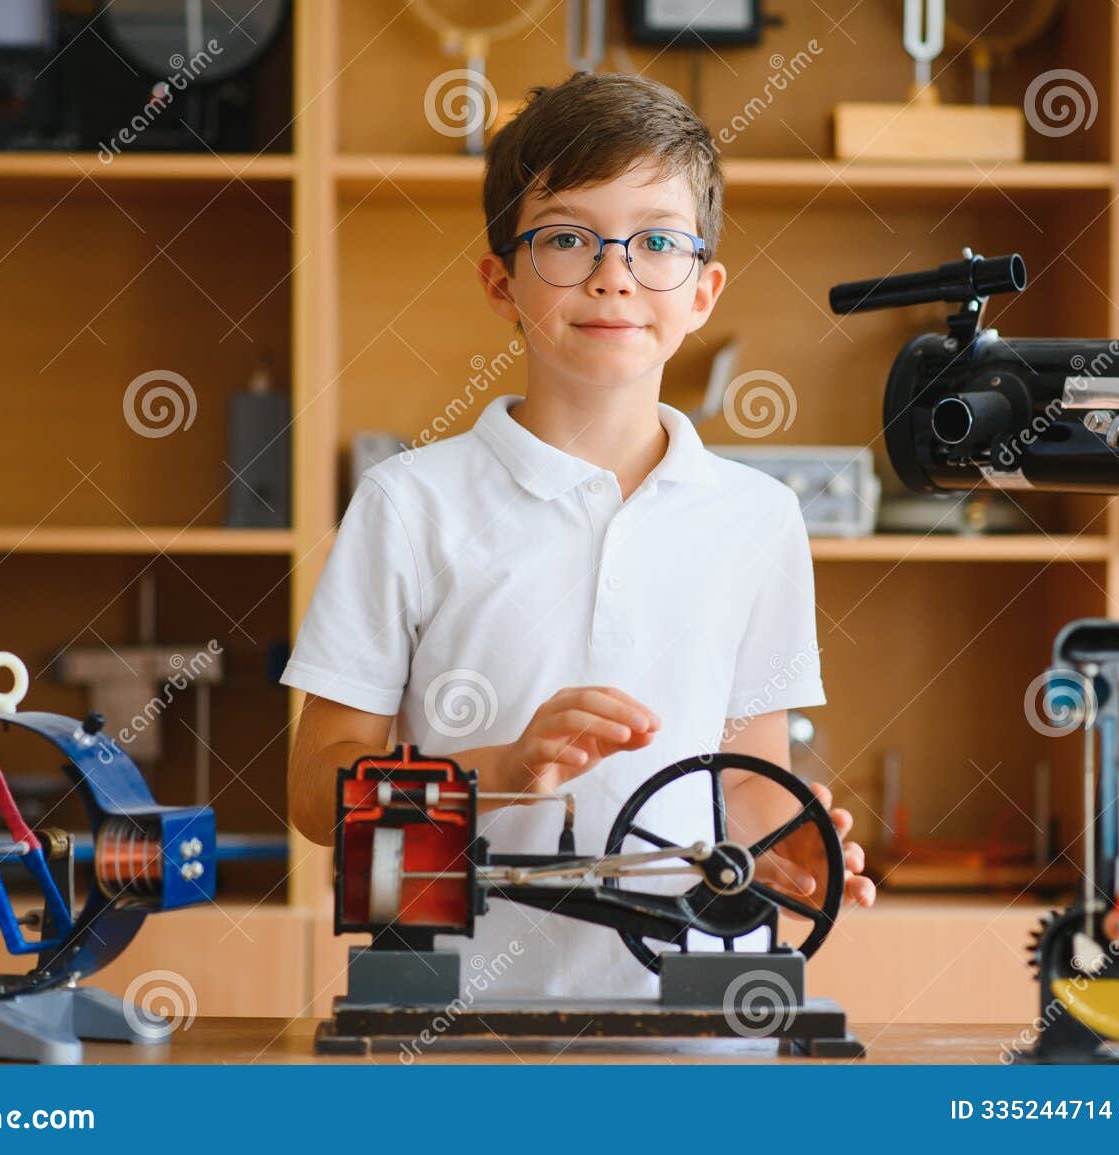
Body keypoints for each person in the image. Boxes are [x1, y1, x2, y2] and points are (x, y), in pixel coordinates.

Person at [284, 70, 876, 999]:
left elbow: (748, 776)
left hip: (695, 1019)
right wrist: (498, 770)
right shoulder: (409, 503)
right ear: (500, 280)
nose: (614, 272)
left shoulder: (758, 518)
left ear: (704, 289)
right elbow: (316, 793)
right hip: (455, 1017)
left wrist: (783, 847)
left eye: (656, 241)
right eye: (566, 238)